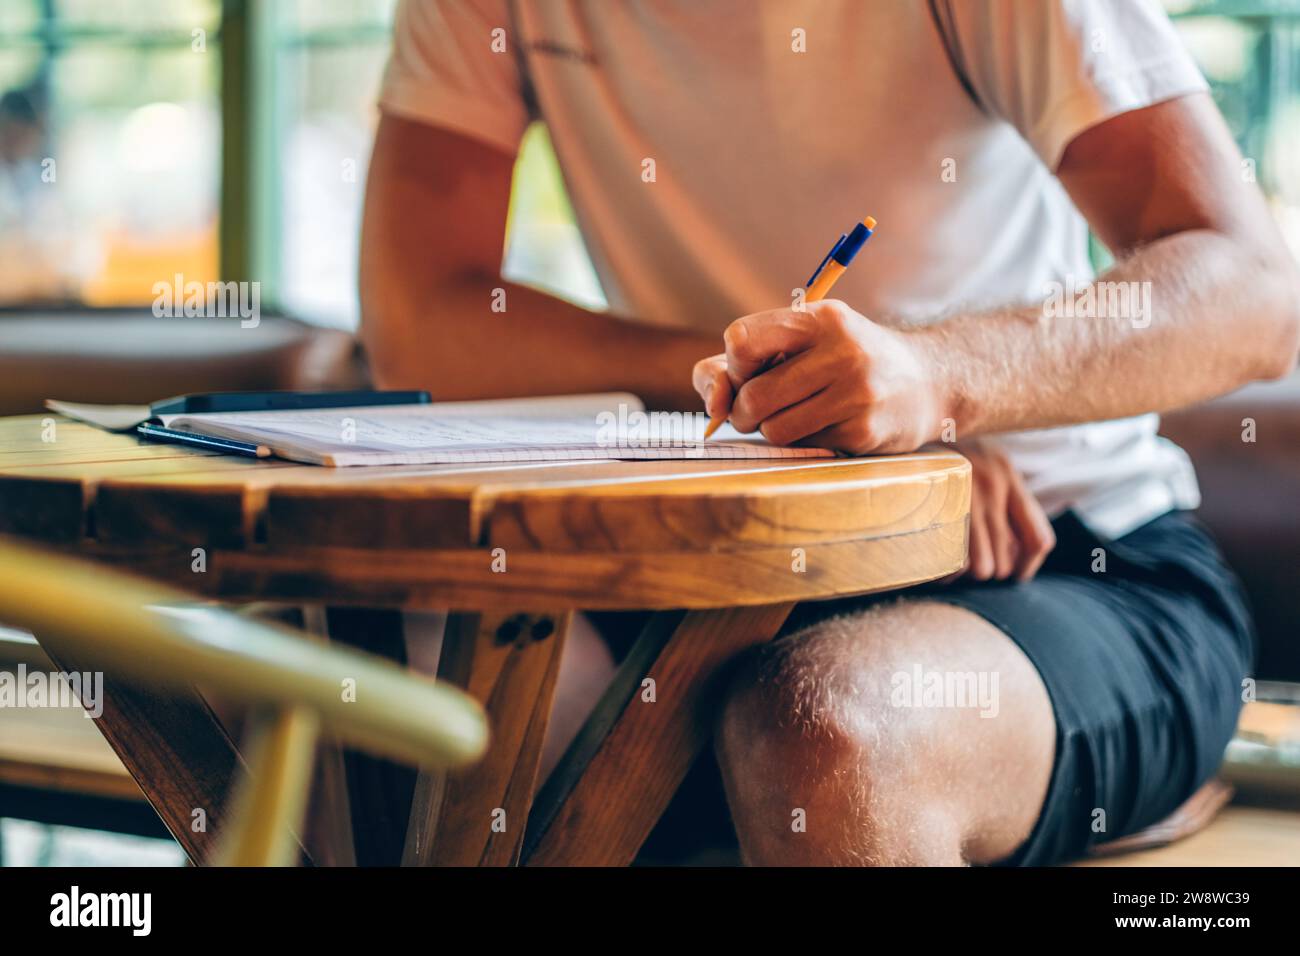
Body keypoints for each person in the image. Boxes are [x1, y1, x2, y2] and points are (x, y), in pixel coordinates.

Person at [360, 0, 1300, 865]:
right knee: (404, 709)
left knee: (825, 737)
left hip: (1063, 563)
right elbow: (420, 318)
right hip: (707, 571)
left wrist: (939, 379)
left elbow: (1255, 293)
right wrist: (790, 384)